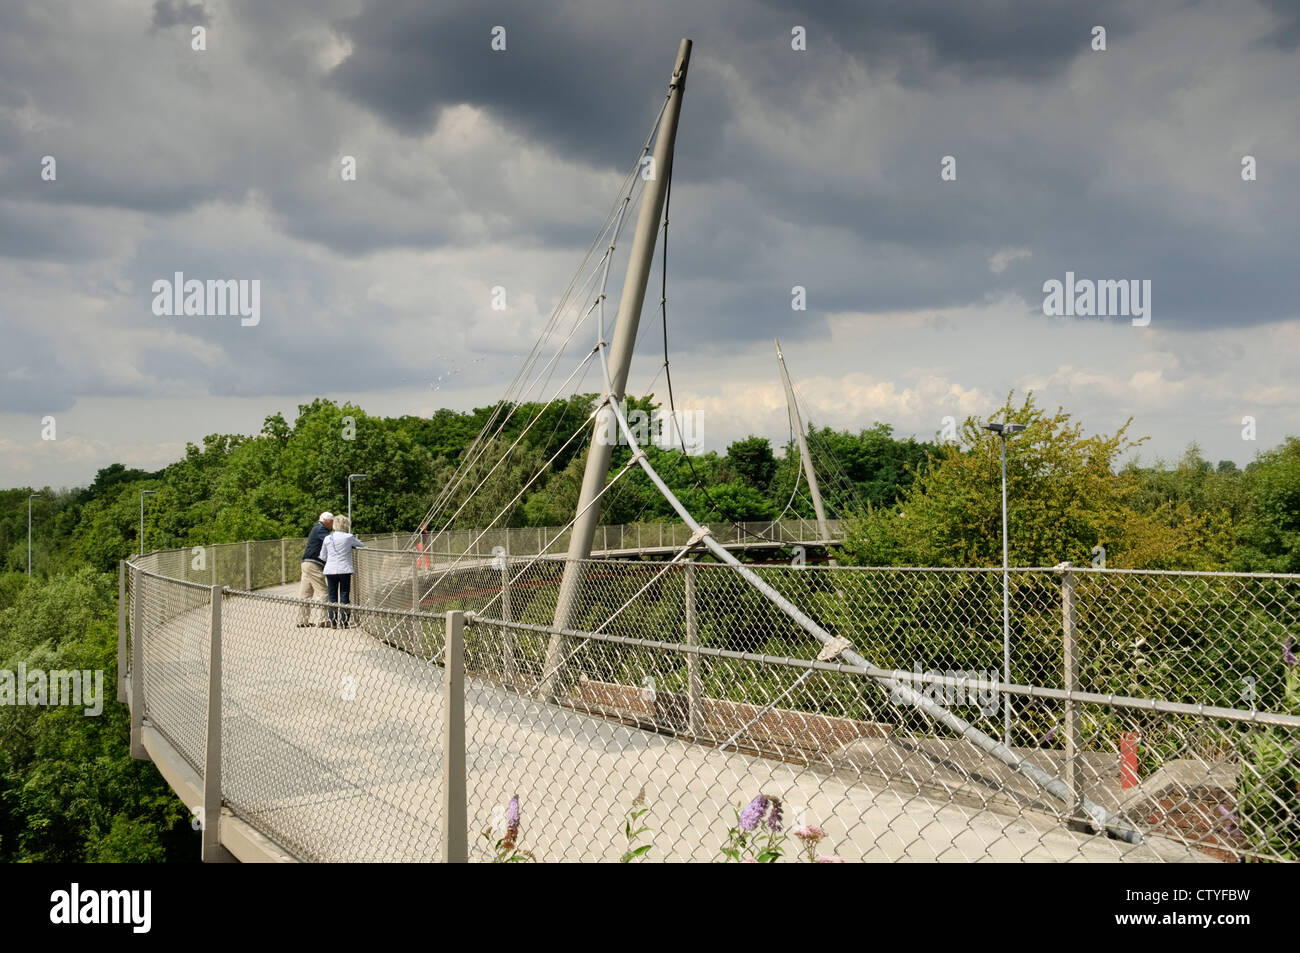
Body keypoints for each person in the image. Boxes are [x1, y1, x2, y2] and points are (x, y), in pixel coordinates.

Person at [319, 514, 364, 628]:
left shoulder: (328, 538)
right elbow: (361, 545)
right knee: (344, 595)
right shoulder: (348, 537)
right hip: (345, 569)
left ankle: (333, 622)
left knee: (332, 596)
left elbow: (323, 556)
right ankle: (344, 622)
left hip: (330, 569)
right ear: (345, 525)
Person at [297, 511, 333, 627]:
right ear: (327, 521)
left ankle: (302, 620)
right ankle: (323, 620)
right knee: (323, 592)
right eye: (332, 522)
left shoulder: (316, 528)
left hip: (306, 563)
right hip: (314, 564)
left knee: (305, 594)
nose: (332, 525)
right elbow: (331, 541)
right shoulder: (321, 529)